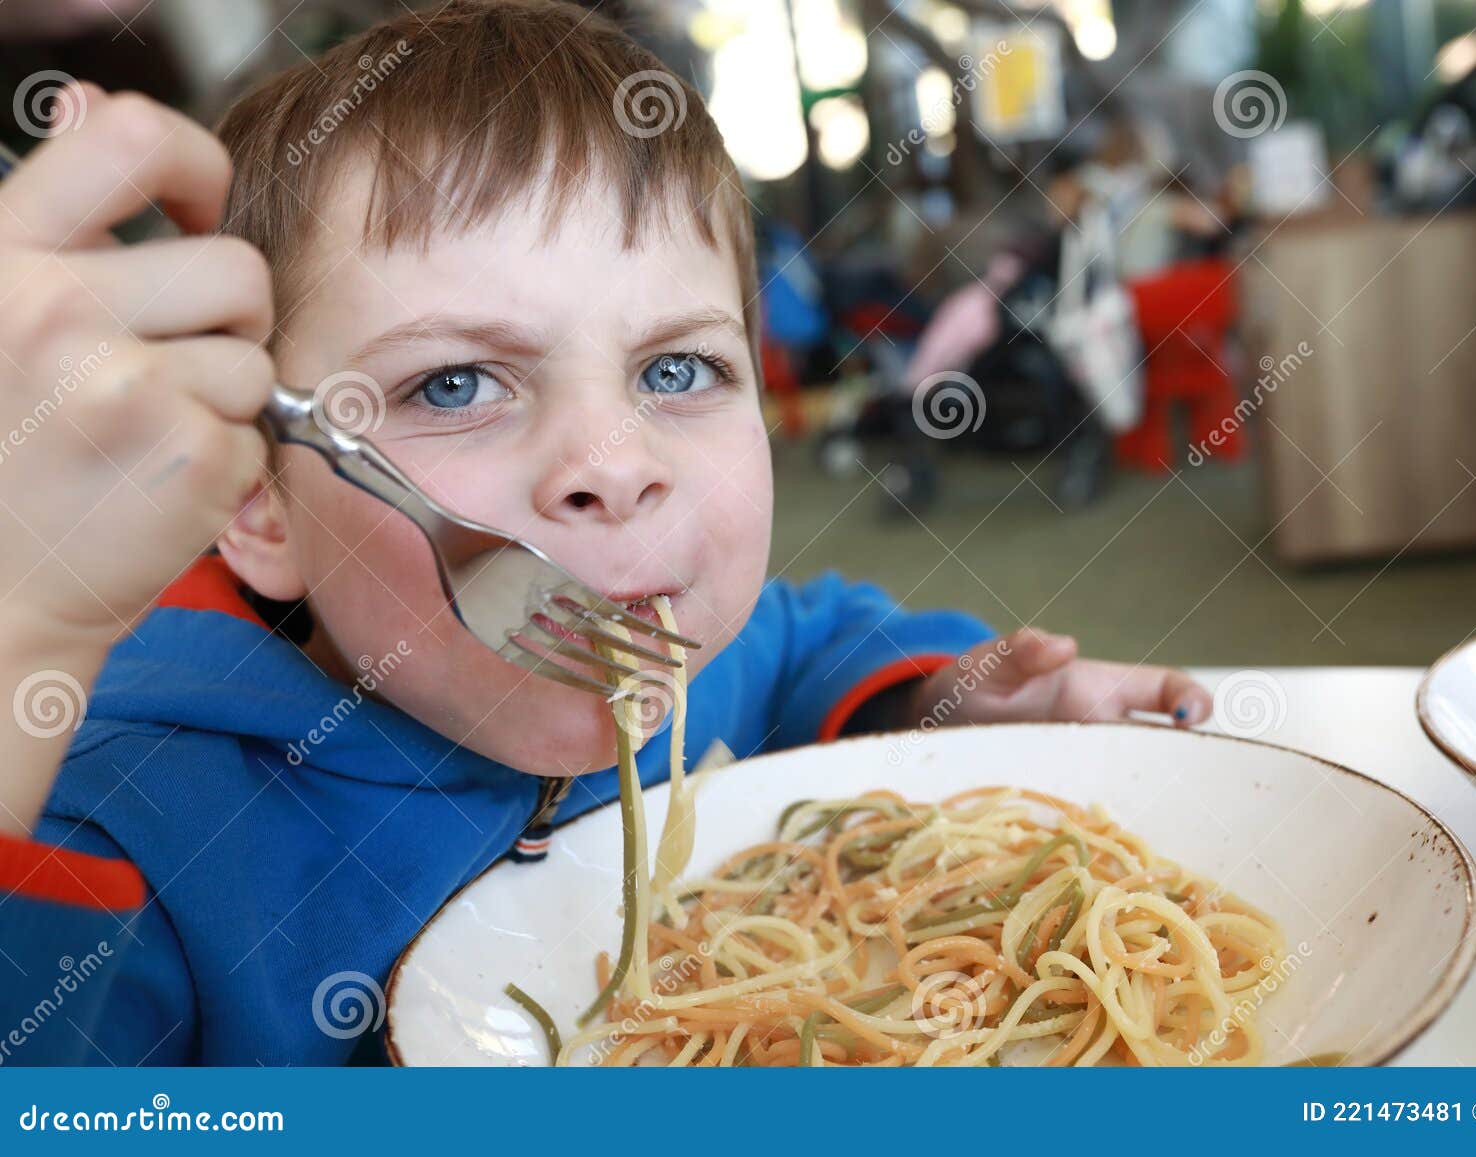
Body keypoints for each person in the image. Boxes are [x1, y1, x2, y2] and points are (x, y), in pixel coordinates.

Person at [0, 0, 1212, 1066]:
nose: (612, 467)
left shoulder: (661, 649)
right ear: (257, 502)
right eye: (458, 385)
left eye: (676, 366)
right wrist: (23, 644)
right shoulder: (114, 831)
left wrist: (938, 696)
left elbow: (801, 642)